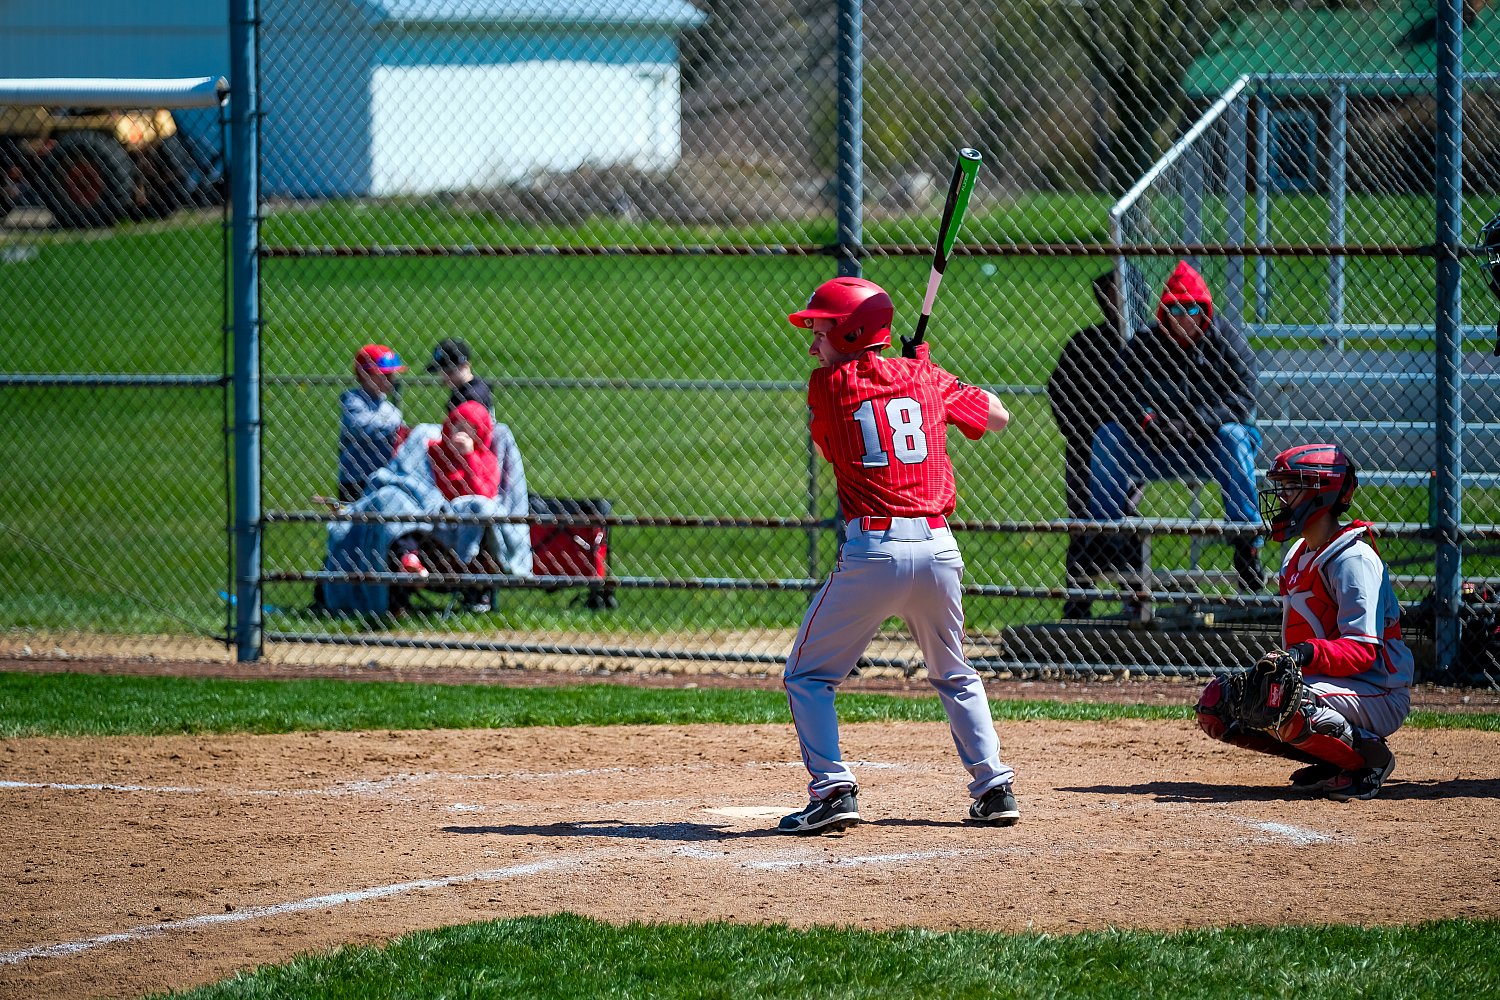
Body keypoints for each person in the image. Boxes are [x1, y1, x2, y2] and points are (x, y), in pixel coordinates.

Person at [777, 275, 1021, 834]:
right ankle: (994, 786)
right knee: (955, 671)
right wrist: (929, 375)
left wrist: (905, 376)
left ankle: (832, 790)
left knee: (807, 677)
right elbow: (998, 416)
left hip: (874, 553)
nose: (813, 345)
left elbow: (839, 438)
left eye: (821, 331)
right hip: (940, 549)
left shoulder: (826, 386)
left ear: (852, 332)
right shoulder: (925, 378)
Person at [1194, 443, 1411, 801]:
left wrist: (1301, 656)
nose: (1280, 498)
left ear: (1321, 492)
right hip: (1333, 683)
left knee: (1283, 698)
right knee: (1220, 704)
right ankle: (1333, 758)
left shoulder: (1352, 559)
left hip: (1378, 690)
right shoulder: (1297, 556)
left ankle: (1369, 760)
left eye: (1291, 488)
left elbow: (1363, 651)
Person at [1087, 260, 1265, 600]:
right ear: (1163, 311)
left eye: (1193, 308)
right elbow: (1114, 393)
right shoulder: (1146, 343)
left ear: (1205, 310)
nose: (1185, 317)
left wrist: (1198, 421)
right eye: (1176, 308)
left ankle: (1246, 545)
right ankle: (1107, 535)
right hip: (1158, 445)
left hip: (1209, 444)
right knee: (1108, 437)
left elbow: (1244, 396)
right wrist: (1147, 422)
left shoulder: (1225, 340)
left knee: (1234, 437)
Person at [320, 401, 532, 616]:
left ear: (481, 434)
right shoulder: (434, 449)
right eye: (458, 426)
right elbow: (413, 479)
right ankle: (407, 562)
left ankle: (414, 561)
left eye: (471, 430)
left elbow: (483, 492)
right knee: (395, 508)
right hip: (426, 514)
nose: (462, 433)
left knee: (471, 509)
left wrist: (468, 457)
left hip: (453, 521)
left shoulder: (484, 459)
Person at [1046, 270, 1134, 619]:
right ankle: (1079, 600)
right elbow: (1058, 390)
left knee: (1126, 523)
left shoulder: (1142, 344)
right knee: (1083, 522)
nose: (1115, 302)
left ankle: (1133, 597)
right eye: (1109, 294)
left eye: (1122, 292)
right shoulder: (1086, 343)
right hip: (1085, 450)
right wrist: (1081, 434)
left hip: (1129, 451)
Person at [337, 344, 408, 503]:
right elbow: (361, 427)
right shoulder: (353, 401)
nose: (391, 380)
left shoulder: (388, 407)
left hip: (384, 478)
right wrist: (394, 424)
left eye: (392, 375)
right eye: (384, 375)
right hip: (356, 480)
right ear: (364, 375)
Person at [427, 338, 495, 414]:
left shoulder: (472, 395)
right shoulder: (465, 388)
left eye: (450, 372)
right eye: (441, 371)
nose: (445, 376)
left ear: (466, 364)